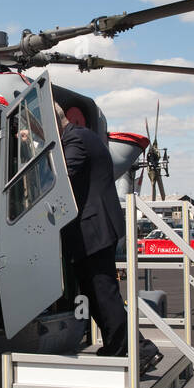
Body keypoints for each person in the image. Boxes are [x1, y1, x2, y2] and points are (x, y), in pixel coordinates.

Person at [56, 104, 162, 372]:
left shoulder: (75, 139)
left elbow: (64, 177)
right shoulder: (82, 136)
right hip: (95, 229)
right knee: (99, 294)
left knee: (103, 295)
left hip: (93, 229)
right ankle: (126, 348)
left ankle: (135, 350)